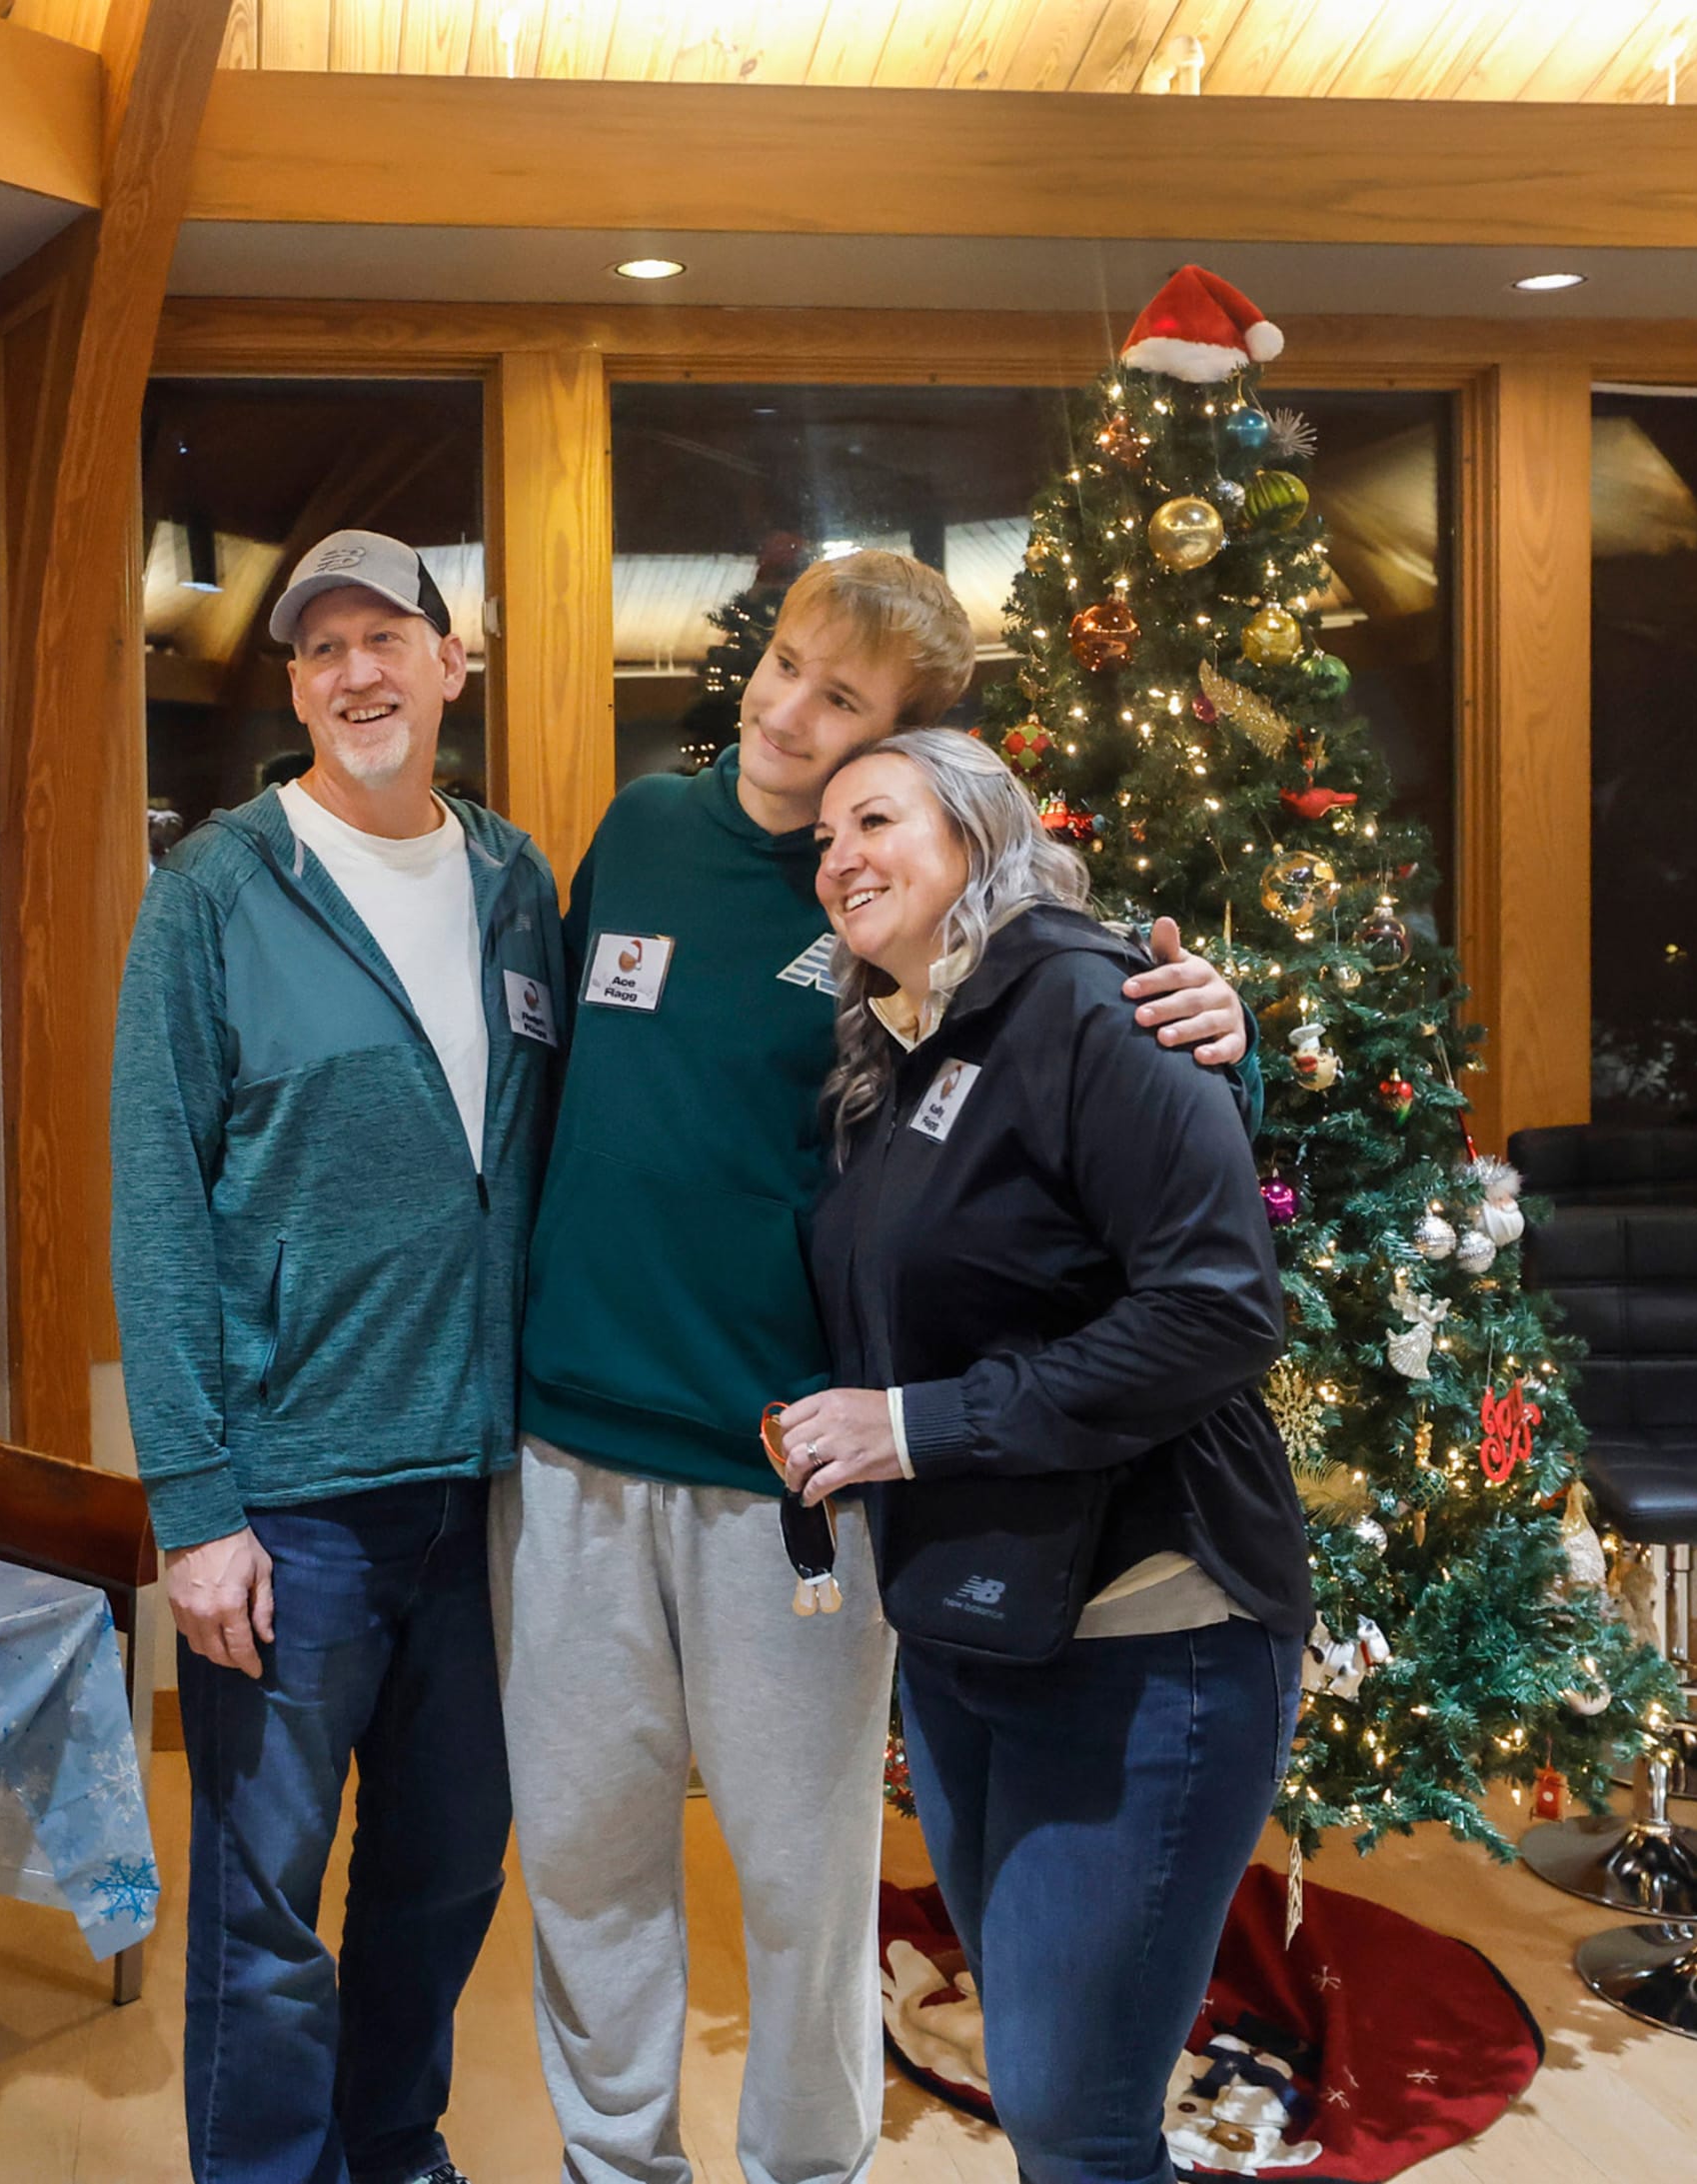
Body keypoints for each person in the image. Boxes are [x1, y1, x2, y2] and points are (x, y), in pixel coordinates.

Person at [497, 552, 1254, 2184]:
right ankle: (613, 2165)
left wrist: (1198, 1009)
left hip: (798, 1473)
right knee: (582, 1859)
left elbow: (1064, 1051)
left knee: (803, 1880)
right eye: (784, 666)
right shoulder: (638, 833)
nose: (789, 711)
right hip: (567, 1449)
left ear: (904, 752)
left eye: (844, 706)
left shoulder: (903, 915)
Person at [787, 730, 1311, 2184]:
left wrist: (910, 1426)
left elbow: (1219, 1309)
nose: (839, 855)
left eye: (876, 817)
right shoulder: (891, 1057)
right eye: (823, 837)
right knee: (1036, 2080)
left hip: (1153, 1637)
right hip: (976, 1636)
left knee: (1078, 2119)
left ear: (979, 836)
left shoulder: (1091, 1000)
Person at [111, 530, 563, 2184]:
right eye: (321, 650)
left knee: (447, 1872)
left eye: (389, 637)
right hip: (291, 1502)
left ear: (453, 665)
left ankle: (393, 2145)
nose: (356, 672)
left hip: (483, 1489)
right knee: (262, 1902)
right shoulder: (221, 888)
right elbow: (157, 1203)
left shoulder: (518, 882)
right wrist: (194, 1502)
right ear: (296, 685)